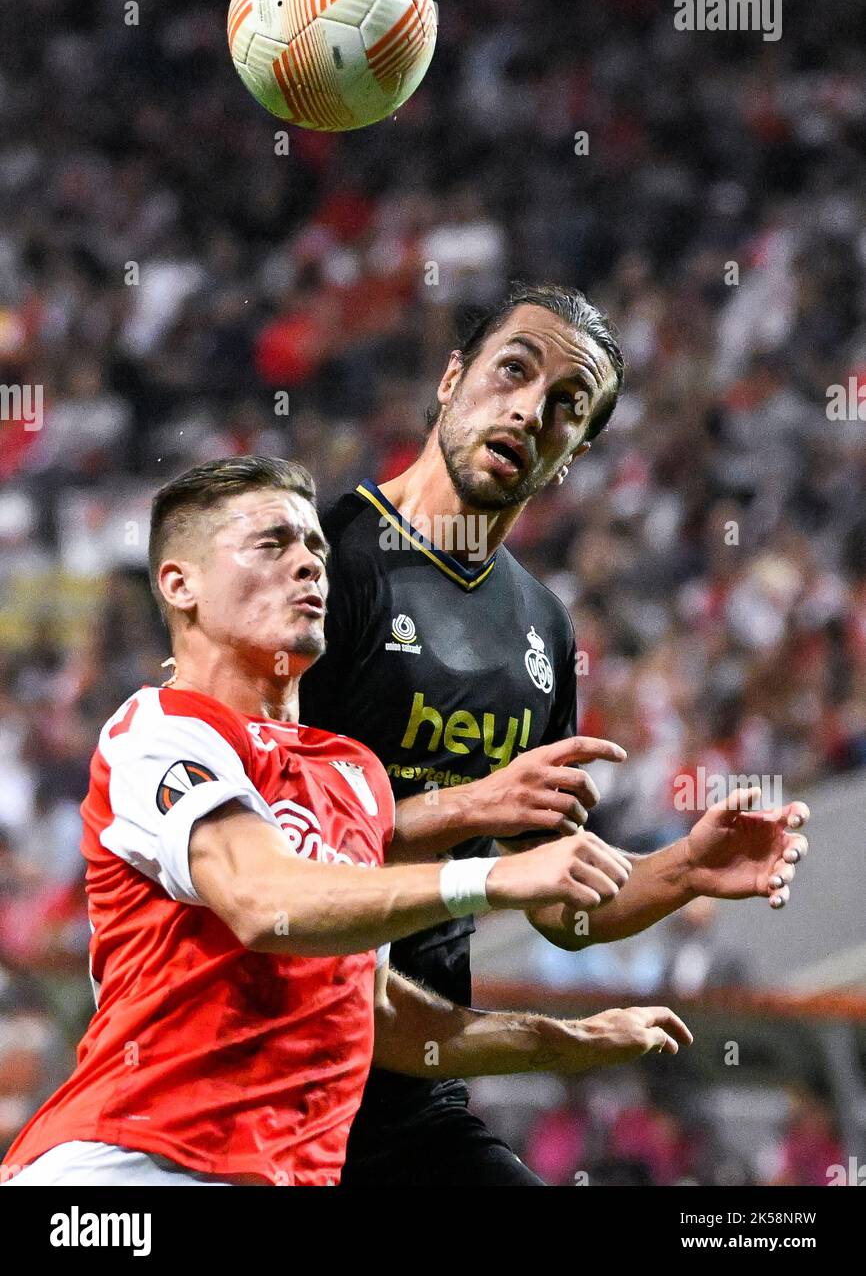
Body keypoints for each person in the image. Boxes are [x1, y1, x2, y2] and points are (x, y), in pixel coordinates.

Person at [1, 455, 693, 1187]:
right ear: (181, 584)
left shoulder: (353, 773)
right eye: (272, 544)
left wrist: (568, 1038)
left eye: (314, 549)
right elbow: (265, 903)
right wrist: (492, 875)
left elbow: (381, 1011)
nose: (308, 566)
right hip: (129, 1170)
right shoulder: (159, 730)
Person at [300, 281, 811, 1186]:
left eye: (569, 406)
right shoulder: (321, 563)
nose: (532, 409)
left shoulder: (541, 626)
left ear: (573, 455)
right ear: (453, 380)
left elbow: (556, 904)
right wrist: (469, 806)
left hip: (414, 1089)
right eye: (513, 370)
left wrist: (683, 869)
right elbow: (262, 854)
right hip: (274, 1075)